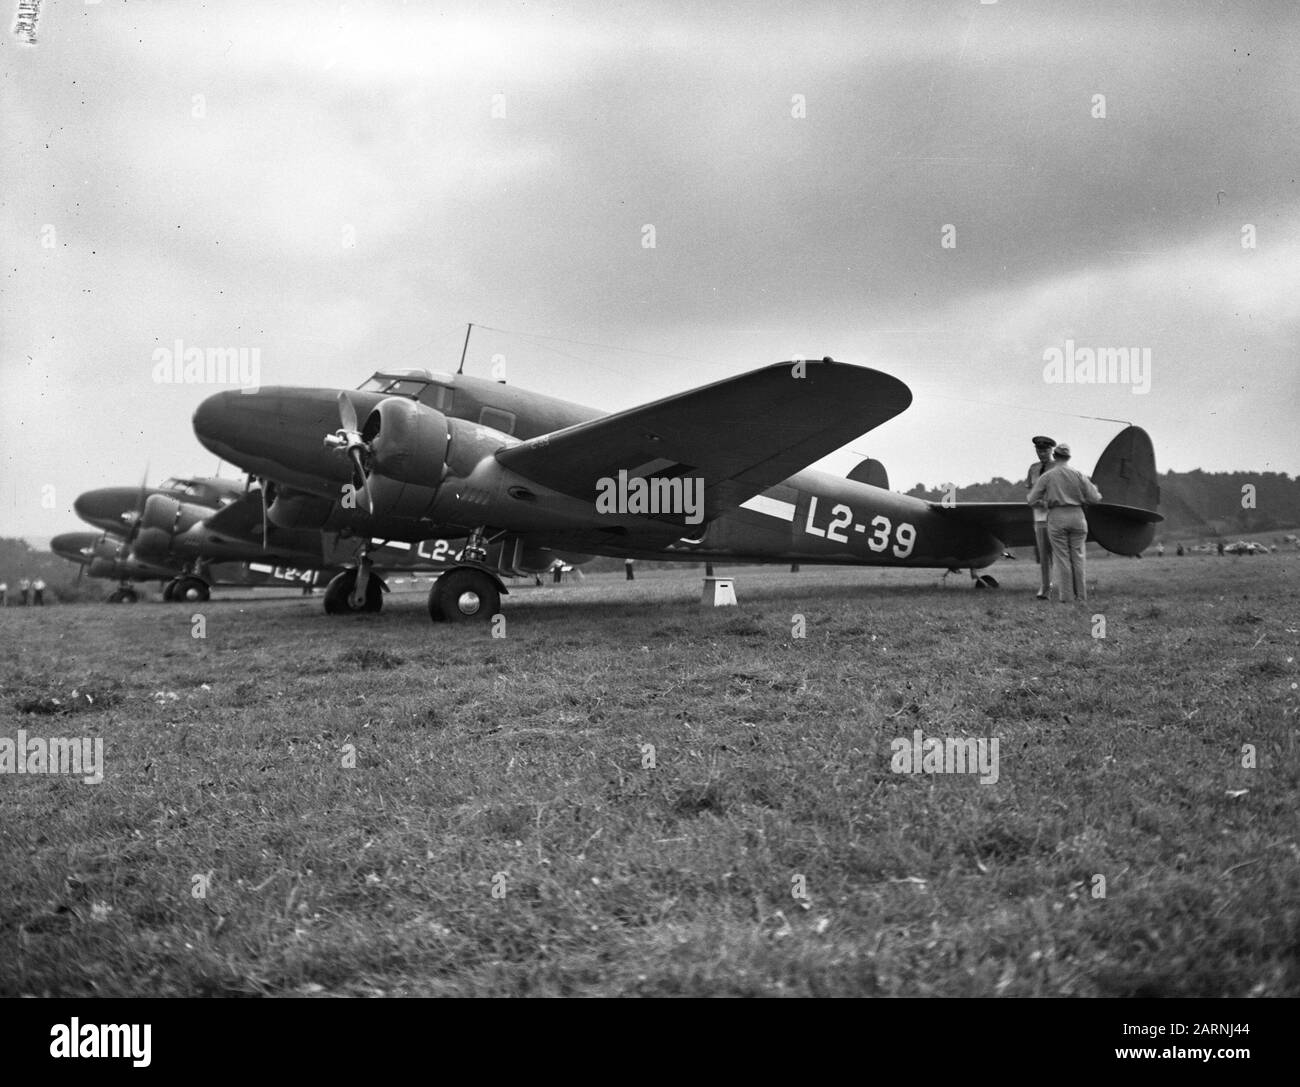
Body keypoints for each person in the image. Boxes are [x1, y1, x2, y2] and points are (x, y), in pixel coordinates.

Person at [1025, 443, 1102, 604]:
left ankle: (1067, 597)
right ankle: (1081, 596)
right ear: (1069, 457)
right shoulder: (1079, 474)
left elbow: (1031, 499)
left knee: (1062, 558)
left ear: (1055, 456)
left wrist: (1045, 501)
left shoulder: (1047, 476)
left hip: (1057, 516)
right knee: (1078, 557)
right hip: (1078, 516)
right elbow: (1095, 498)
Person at [1026, 436, 1057, 600]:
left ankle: (1070, 587)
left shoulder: (1058, 467)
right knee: (1044, 555)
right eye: (1039, 450)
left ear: (1051, 450)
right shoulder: (1033, 468)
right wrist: (1032, 499)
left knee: (1062, 553)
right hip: (1039, 517)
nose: (1042, 453)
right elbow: (1030, 490)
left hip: (1056, 515)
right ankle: (1045, 587)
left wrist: (1048, 501)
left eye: (1045, 450)